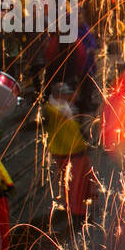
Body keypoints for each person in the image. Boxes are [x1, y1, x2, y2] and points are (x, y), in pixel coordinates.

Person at [44, 84, 94, 227]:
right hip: (70, 151)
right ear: (59, 95)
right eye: (66, 94)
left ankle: (71, 205)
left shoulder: (60, 106)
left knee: (72, 181)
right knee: (75, 182)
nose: (69, 96)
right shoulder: (55, 111)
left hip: (69, 149)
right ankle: (78, 213)